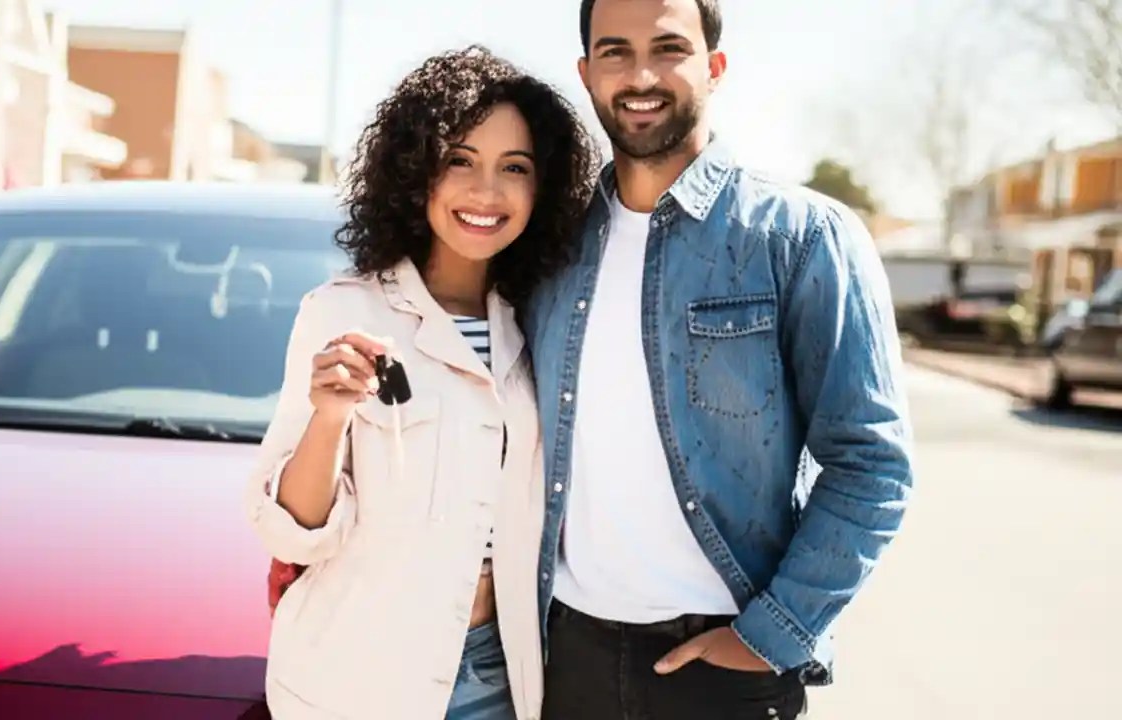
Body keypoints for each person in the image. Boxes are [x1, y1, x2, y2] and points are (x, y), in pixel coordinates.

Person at [526, 1, 916, 718]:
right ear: (585, 73)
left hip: (726, 668)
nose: (641, 76)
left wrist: (770, 637)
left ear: (715, 67)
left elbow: (871, 463)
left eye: (668, 48)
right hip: (565, 660)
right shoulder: (551, 243)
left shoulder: (802, 237)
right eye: (615, 52)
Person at [244, 46, 597, 720]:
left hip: (496, 674)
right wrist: (328, 417)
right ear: (417, 171)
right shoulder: (343, 311)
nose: (486, 192)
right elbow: (291, 535)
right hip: (355, 675)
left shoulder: (541, 325)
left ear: (542, 188)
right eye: (460, 160)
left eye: (514, 168)